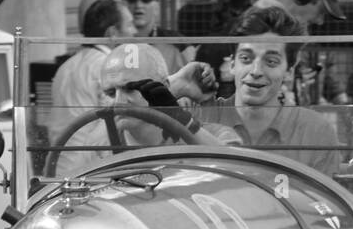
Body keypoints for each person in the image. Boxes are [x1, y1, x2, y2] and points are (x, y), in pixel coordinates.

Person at [198, 7, 341, 175]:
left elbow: (323, 200)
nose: (256, 71)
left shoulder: (316, 131)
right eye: (246, 59)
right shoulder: (200, 118)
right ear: (232, 64)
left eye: (271, 61)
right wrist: (175, 86)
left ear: (289, 71)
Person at [54, 45, 228, 174]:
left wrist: (182, 121)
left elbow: (236, 174)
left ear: (164, 88)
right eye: (110, 92)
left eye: (131, 88)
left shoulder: (213, 135)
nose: (118, 101)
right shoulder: (98, 146)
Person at [50, 0, 138, 175]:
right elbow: (118, 127)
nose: (135, 31)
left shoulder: (65, 67)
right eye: (129, 25)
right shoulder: (109, 67)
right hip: (91, 174)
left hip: (57, 170)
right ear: (112, 33)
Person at [123, 0, 188, 74]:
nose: (138, 5)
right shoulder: (111, 42)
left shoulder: (179, 45)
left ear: (157, 7)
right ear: (123, 5)